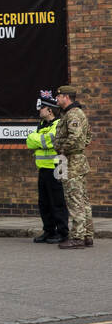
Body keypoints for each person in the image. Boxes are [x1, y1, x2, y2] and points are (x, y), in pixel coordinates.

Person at [53, 85, 94, 249]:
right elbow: (88, 136)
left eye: (58, 96)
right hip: (76, 160)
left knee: (74, 200)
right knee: (83, 200)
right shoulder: (72, 113)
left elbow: (76, 138)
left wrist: (62, 148)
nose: (57, 99)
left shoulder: (73, 114)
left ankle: (77, 237)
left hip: (72, 162)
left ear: (66, 97)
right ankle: (87, 235)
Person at [26, 94, 67, 244]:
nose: (39, 110)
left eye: (41, 107)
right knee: (44, 203)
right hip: (43, 168)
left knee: (57, 202)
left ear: (50, 110)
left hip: (57, 166)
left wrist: (37, 140)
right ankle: (49, 231)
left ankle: (62, 232)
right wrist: (39, 140)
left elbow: (50, 141)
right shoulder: (42, 125)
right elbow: (29, 142)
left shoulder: (58, 124)